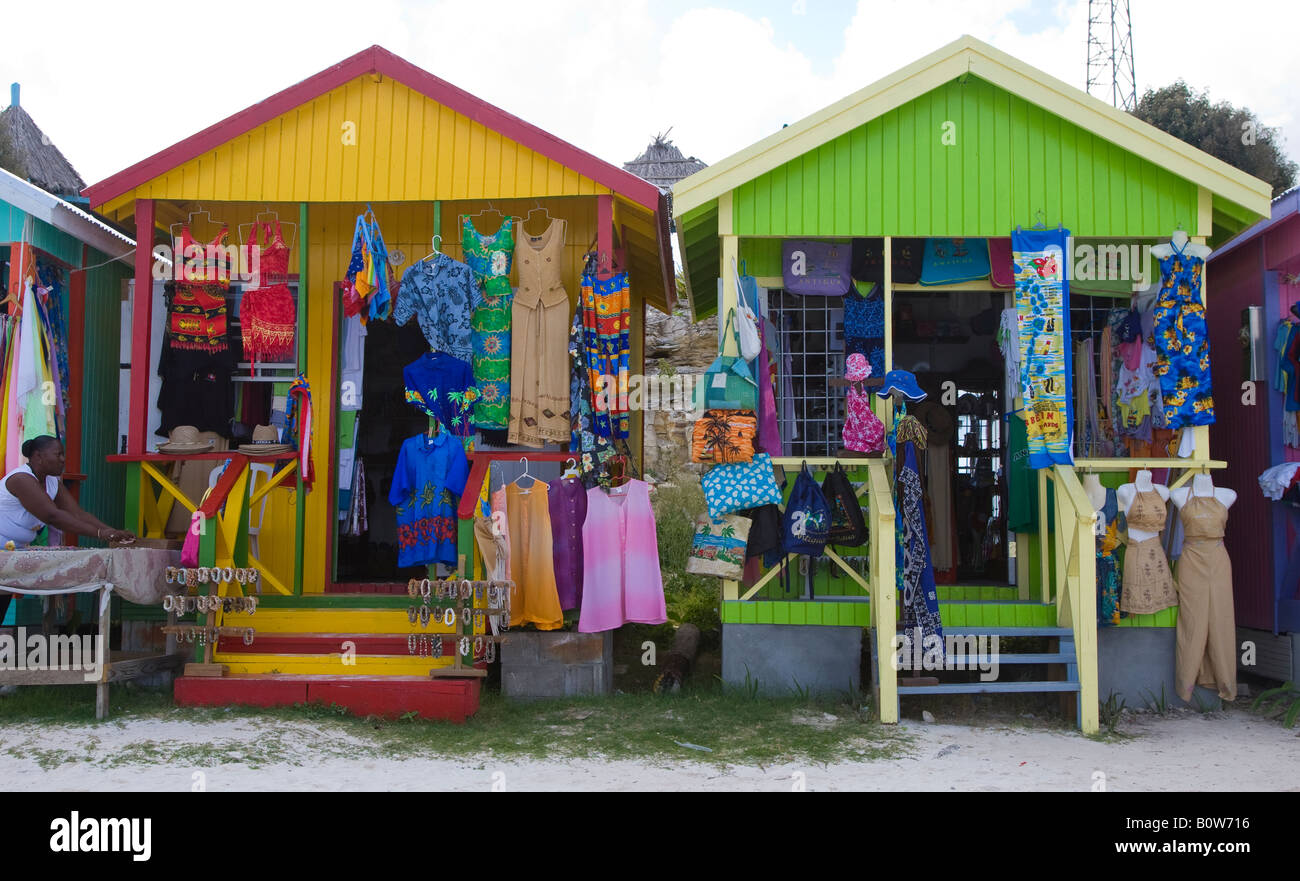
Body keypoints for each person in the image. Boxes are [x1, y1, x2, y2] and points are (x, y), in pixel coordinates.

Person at [0, 436, 136, 632]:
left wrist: (111, 532)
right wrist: (101, 533)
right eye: (58, 454)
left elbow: (77, 513)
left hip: (9, 554)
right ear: (38, 456)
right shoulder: (21, 479)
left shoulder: (53, 482)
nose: (63, 459)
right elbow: (52, 515)